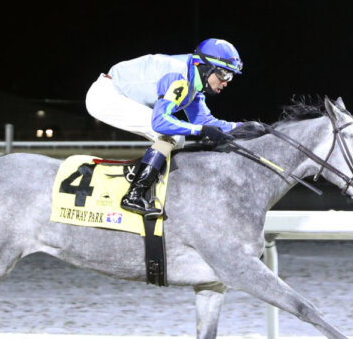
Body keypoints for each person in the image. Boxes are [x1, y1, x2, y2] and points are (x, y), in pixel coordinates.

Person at [86, 38, 263, 217]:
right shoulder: (178, 76)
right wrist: (200, 130)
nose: (226, 82)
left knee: (176, 138)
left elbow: (206, 121)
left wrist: (241, 127)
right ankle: (133, 195)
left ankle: (139, 177)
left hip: (115, 92)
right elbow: (161, 122)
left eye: (230, 76)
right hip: (106, 97)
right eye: (224, 75)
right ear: (207, 67)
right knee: (173, 136)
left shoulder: (193, 80)